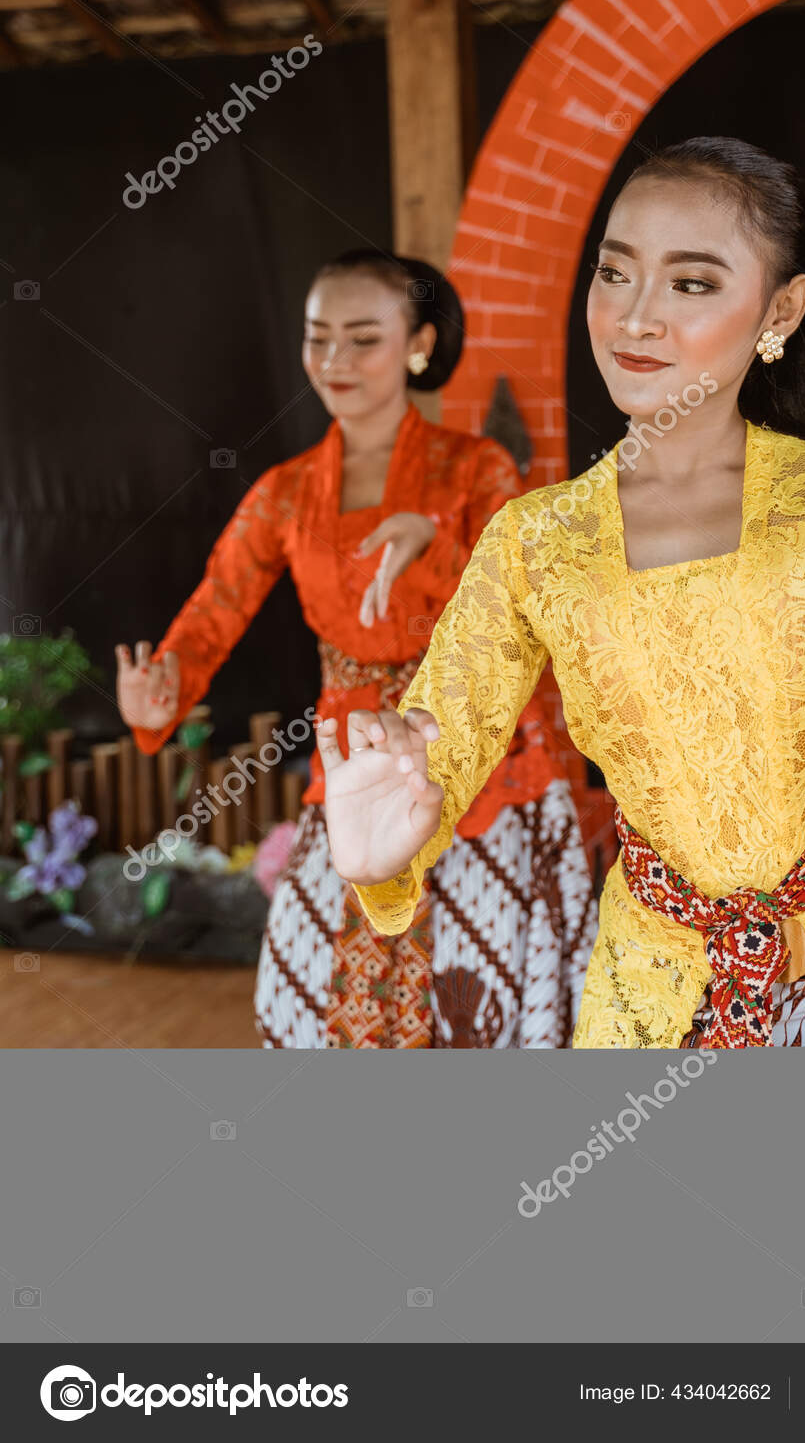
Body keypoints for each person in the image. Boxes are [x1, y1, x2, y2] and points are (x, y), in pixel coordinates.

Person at [313, 138, 805, 1049]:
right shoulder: (536, 540)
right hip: (654, 993)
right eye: (615, 274)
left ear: (781, 310)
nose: (634, 318)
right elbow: (438, 742)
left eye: (691, 284)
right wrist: (388, 846)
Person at [115, 249, 596, 1049]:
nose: (334, 361)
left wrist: (436, 538)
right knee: (304, 995)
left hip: (477, 768)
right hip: (351, 768)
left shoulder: (477, 468)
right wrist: (165, 684)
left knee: (481, 1007)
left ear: (418, 344)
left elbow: (533, 600)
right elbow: (215, 608)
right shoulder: (285, 490)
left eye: (362, 338)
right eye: (318, 338)